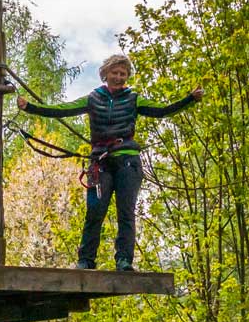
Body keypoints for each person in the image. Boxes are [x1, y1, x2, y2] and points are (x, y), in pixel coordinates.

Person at [17, 53, 202, 271]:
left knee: (126, 213)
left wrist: (190, 99)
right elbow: (63, 109)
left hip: (128, 162)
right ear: (105, 74)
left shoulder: (134, 98)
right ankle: (86, 260)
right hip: (101, 163)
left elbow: (161, 110)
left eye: (123, 74)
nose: (119, 77)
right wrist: (30, 107)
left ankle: (124, 260)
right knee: (94, 212)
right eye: (115, 72)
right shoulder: (93, 98)